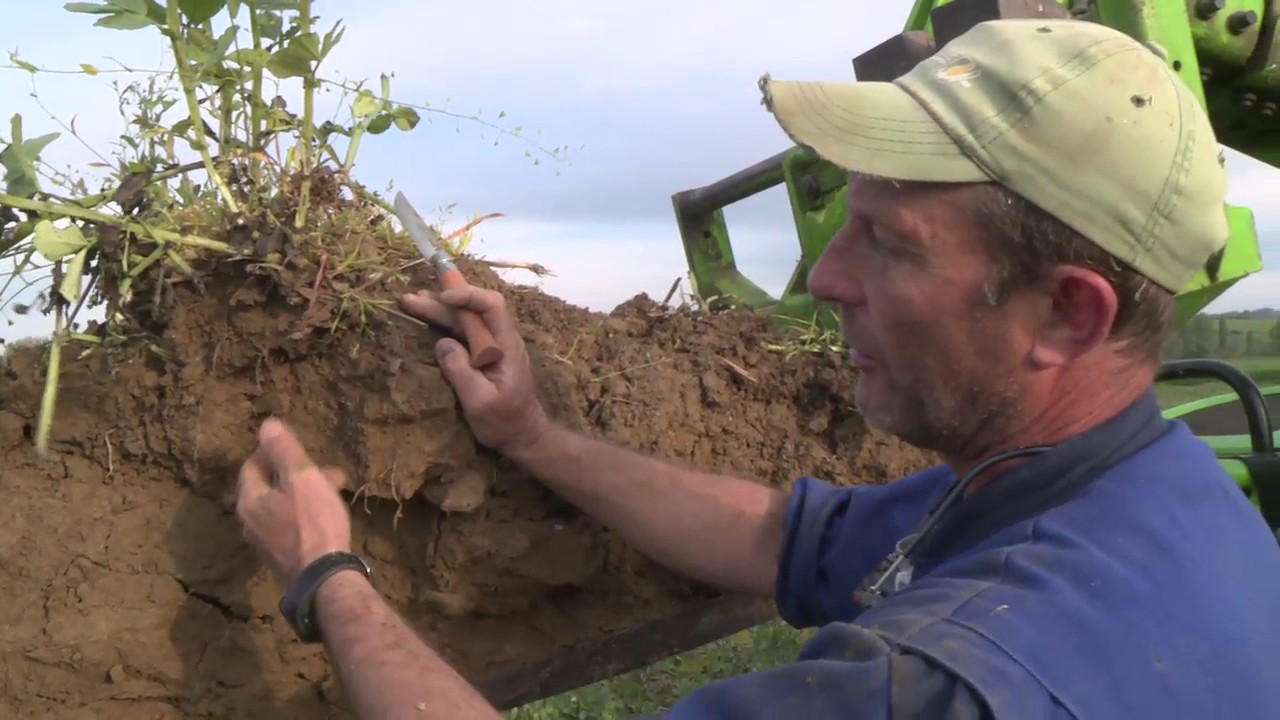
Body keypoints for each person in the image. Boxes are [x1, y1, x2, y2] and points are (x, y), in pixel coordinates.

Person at [234, 17, 1280, 720]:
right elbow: (780, 535)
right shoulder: (1130, 486)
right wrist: (530, 434)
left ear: (1063, 314)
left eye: (890, 243)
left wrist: (328, 574)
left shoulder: (937, 681)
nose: (824, 276)